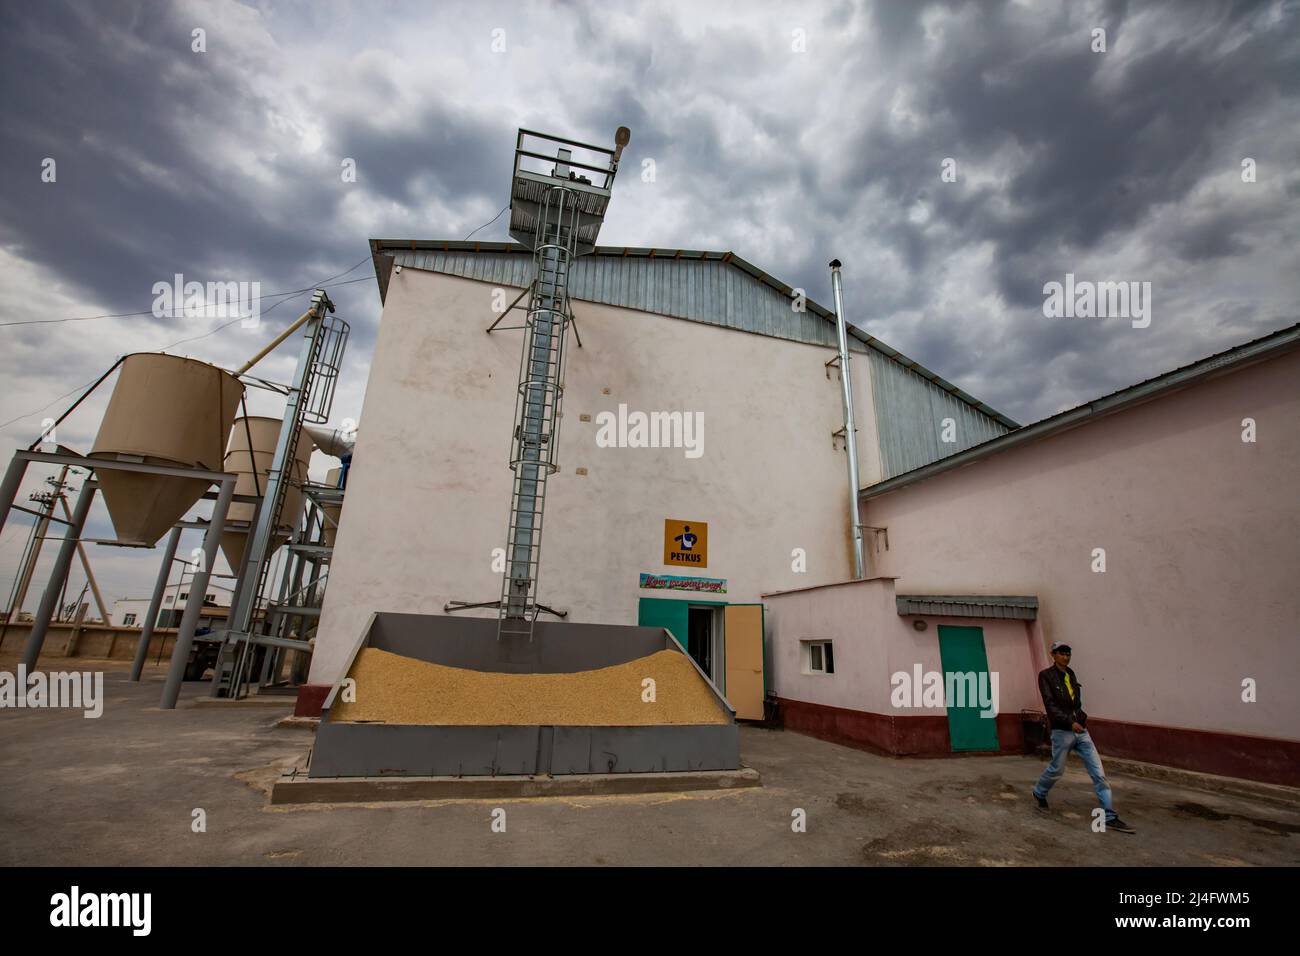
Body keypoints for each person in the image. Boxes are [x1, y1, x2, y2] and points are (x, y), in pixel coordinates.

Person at [1032, 642, 1135, 834]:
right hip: (1062, 732)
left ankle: (1109, 815)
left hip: (1081, 730)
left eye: (1068, 653)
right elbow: (1050, 704)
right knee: (1057, 769)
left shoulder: (1070, 674)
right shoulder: (1046, 676)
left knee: (1098, 772)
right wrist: (1069, 722)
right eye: (1061, 653)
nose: (1065, 656)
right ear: (1053, 655)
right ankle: (1039, 791)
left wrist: (1080, 718)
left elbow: (1075, 702)